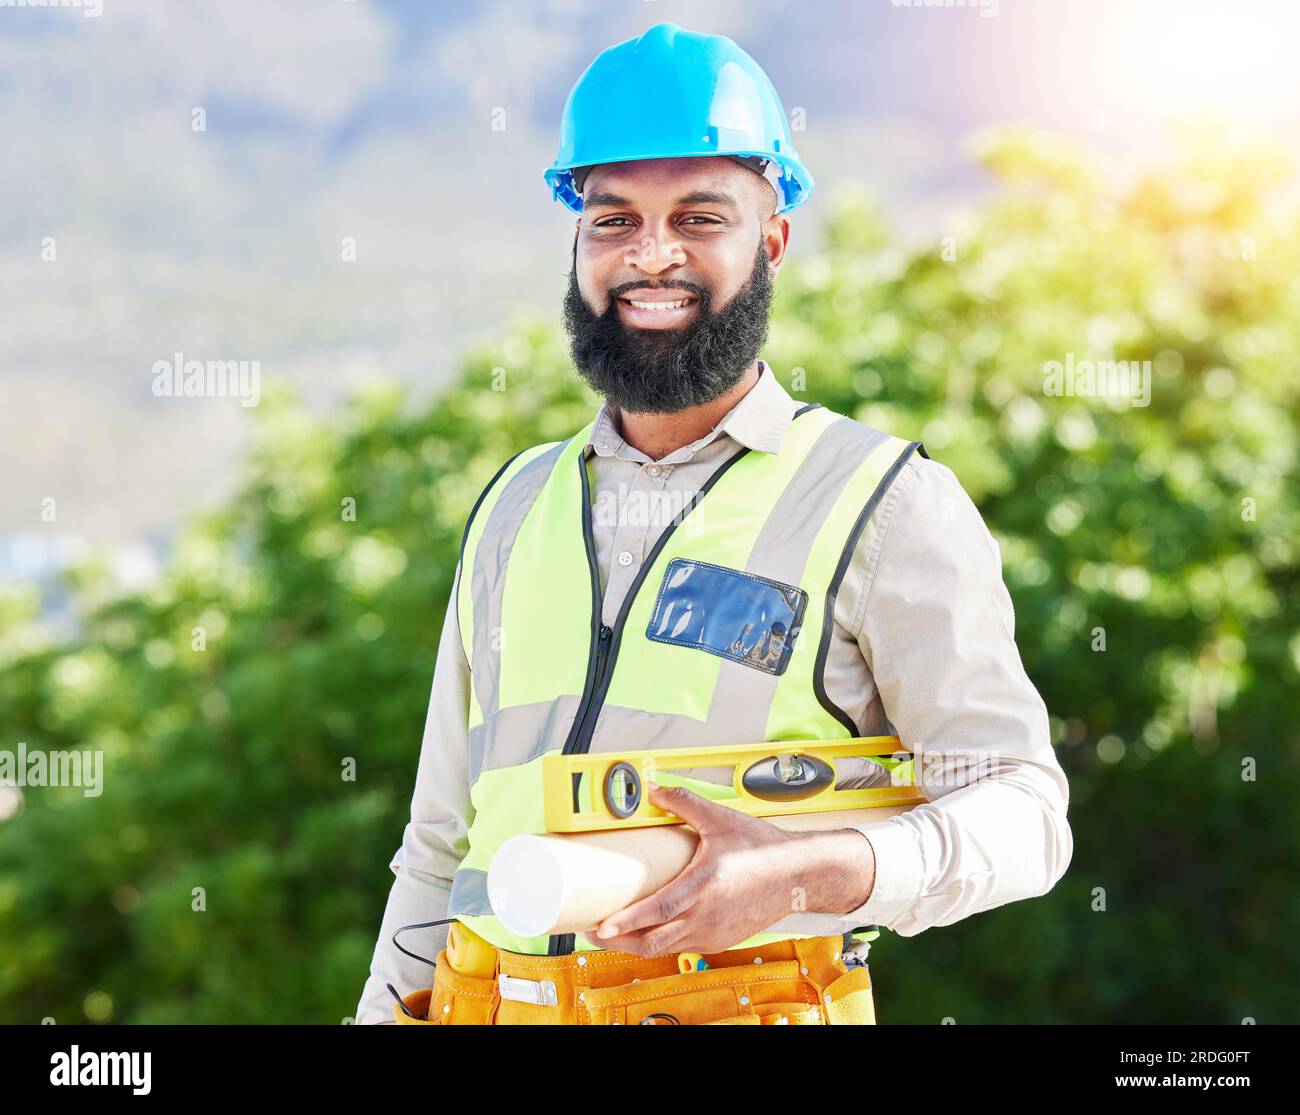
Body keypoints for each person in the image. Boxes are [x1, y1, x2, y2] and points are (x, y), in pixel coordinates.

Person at [354, 21, 1071, 1026]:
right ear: (577, 241)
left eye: (699, 217)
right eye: (614, 221)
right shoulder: (516, 503)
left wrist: (806, 873)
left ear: (769, 241)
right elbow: (440, 840)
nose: (653, 255)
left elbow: (1023, 814)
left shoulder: (882, 500)